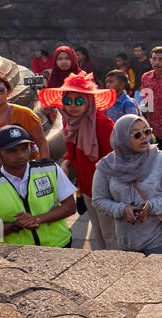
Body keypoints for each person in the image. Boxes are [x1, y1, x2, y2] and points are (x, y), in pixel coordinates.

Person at [39, 74, 116, 250]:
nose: (73, 106)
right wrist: (66, 165)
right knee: (98, 232)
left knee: (111, 235)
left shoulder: (103, 125)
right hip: (86, 187)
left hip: (106, 190)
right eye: (68, 101)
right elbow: (72, 153)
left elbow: (116, 160)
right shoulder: (70, 124)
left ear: (89, 101)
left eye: (79, 101)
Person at [0, 125, 76, 247]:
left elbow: (70, 207)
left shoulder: (50, 169)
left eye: (24, 148)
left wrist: (38, 219)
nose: (20, 155)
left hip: (61, 245)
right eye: (12, 151)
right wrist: (14, 226)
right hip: (17, 255)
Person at [94, 114, 162, 254]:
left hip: (160, 242)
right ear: (122, 137)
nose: (144, 137)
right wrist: (122, 209)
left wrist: (152, 205)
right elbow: (98, 200)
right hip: (125, 244)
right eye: (137, 134)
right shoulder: (107, 166)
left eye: (147, 131)